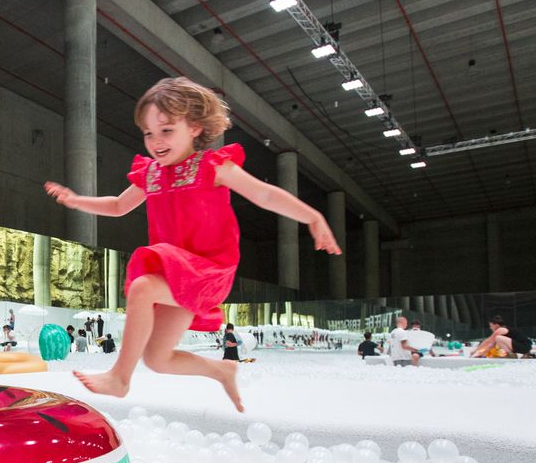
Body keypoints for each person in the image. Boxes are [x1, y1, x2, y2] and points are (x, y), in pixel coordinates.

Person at [45, 76, 341, 409]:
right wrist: (76, 200)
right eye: (148, 133)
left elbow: (264, 193)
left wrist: (313, 217)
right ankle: (221, 370)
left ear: (195, 128)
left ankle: (119, 377)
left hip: (209, 271)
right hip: (177, 273)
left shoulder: (211, 167)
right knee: (157, 358)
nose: (156, 141)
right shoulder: (152, 174)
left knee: (142, 287)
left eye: (167, 130)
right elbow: (117, 205)